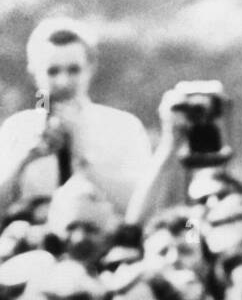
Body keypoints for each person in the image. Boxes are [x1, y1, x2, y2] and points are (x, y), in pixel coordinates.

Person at [0, 18, 151, 216]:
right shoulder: (17, 128)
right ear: (34, 72)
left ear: (90, 68)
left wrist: (83, 159)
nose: (63, 82)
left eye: (73, 70)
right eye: (52, 71)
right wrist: (25, 159)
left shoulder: (123, 127)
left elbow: (144, 207)